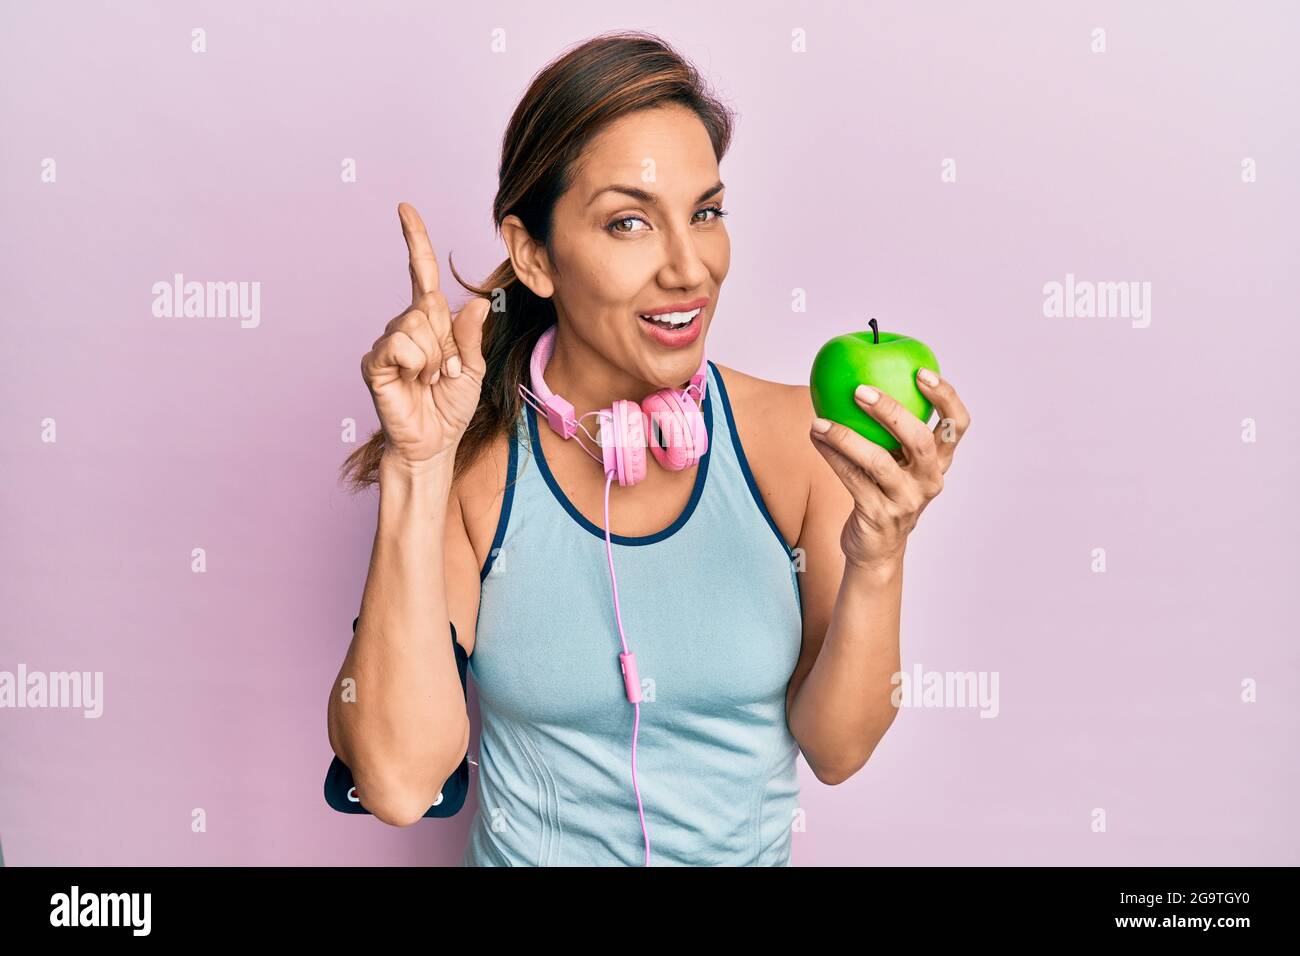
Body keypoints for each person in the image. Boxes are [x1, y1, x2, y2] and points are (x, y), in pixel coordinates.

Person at [325, 30, 970, 866]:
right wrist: (416, 469)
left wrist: (881, 553)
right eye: (629, 222)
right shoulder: (472, 465)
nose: (688, 269)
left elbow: (837, 750)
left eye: (705, 213)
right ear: (534, 256)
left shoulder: (800, 443)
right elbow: (401, 783)